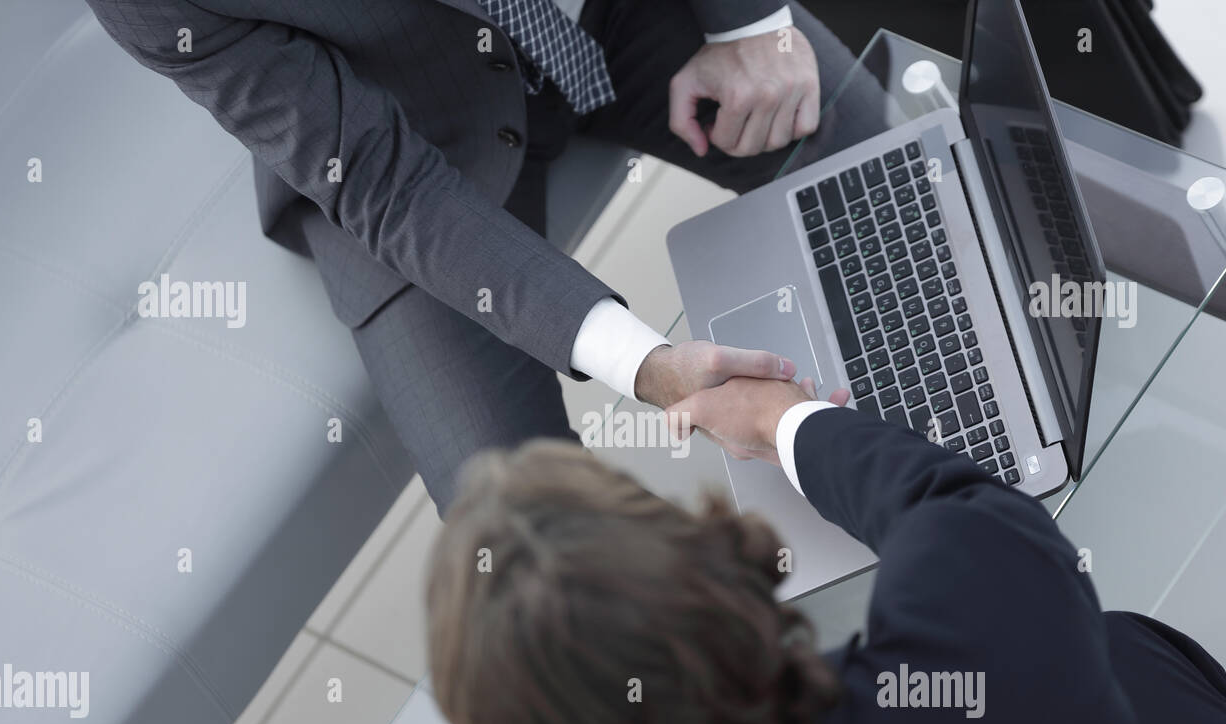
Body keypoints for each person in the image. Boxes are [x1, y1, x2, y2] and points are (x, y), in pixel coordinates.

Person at [426, 377, 1226, 724]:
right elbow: (947, 500)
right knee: (1121, 644)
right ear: (696, 560)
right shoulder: (974, 628)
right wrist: (775, 419)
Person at [85, 0, 878, 512]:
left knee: (886, 159)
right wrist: (652, 366)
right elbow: (386, 186)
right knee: (520, 541)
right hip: (407, 138)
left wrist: (747, 22)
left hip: (616, 12)